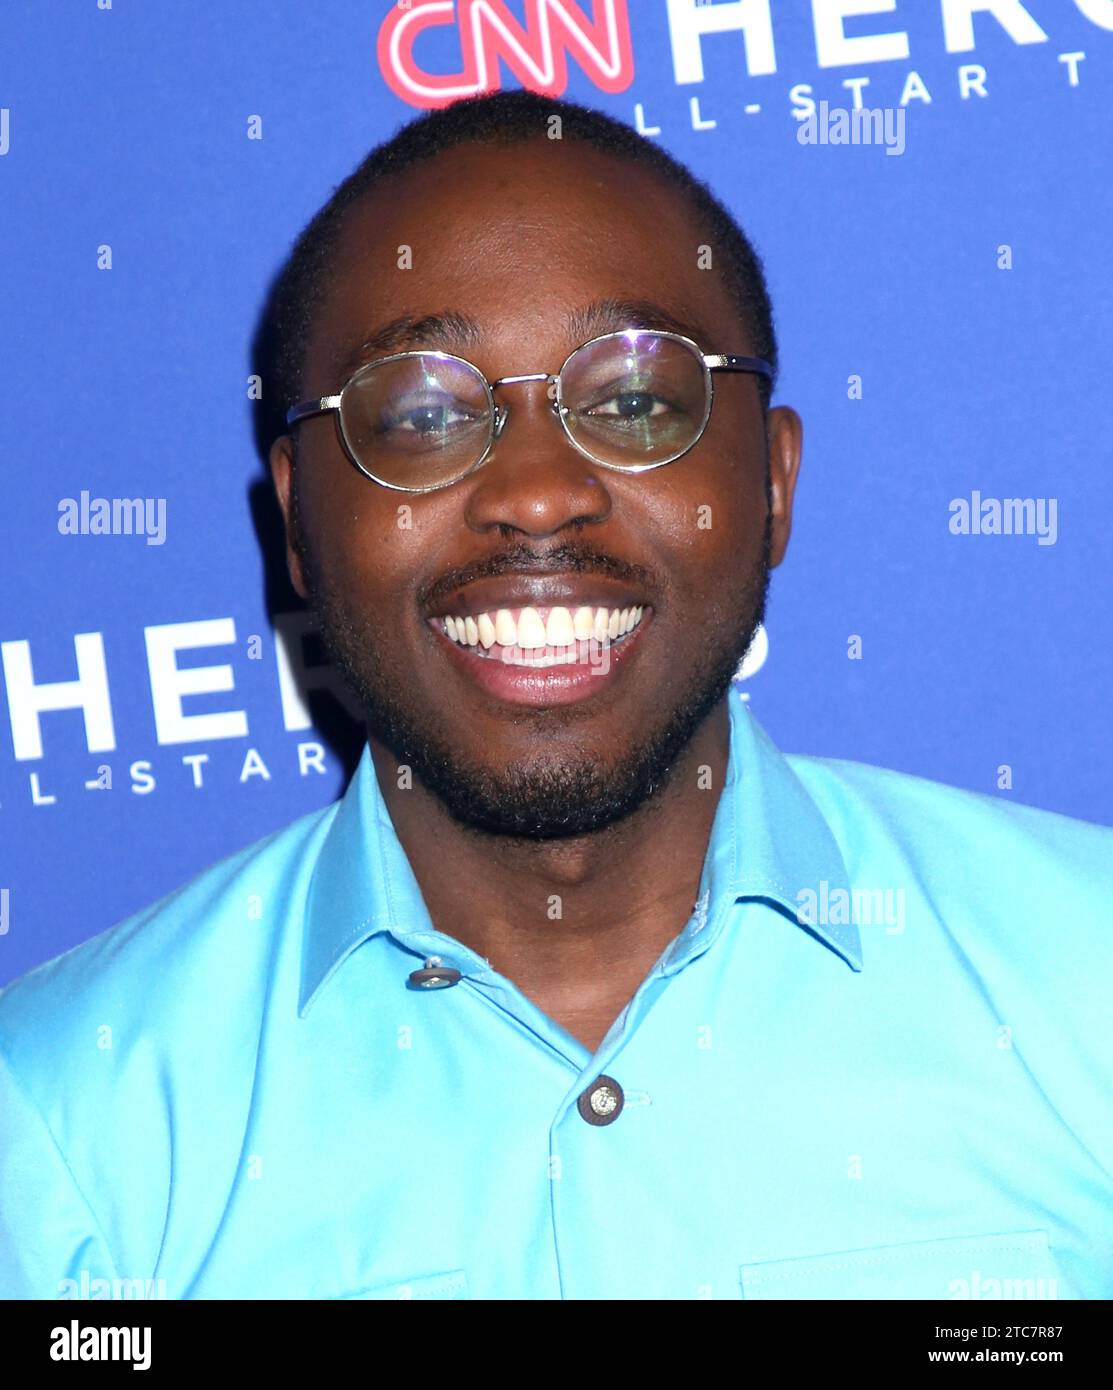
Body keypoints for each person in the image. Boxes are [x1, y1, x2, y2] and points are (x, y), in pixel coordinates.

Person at [1, 89, 1110, 1302]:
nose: (535, 490)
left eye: (635, 400)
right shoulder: (62, 1132)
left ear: (775, 483)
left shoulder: (1083, 981)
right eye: (422, 413)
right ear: (299, 525)